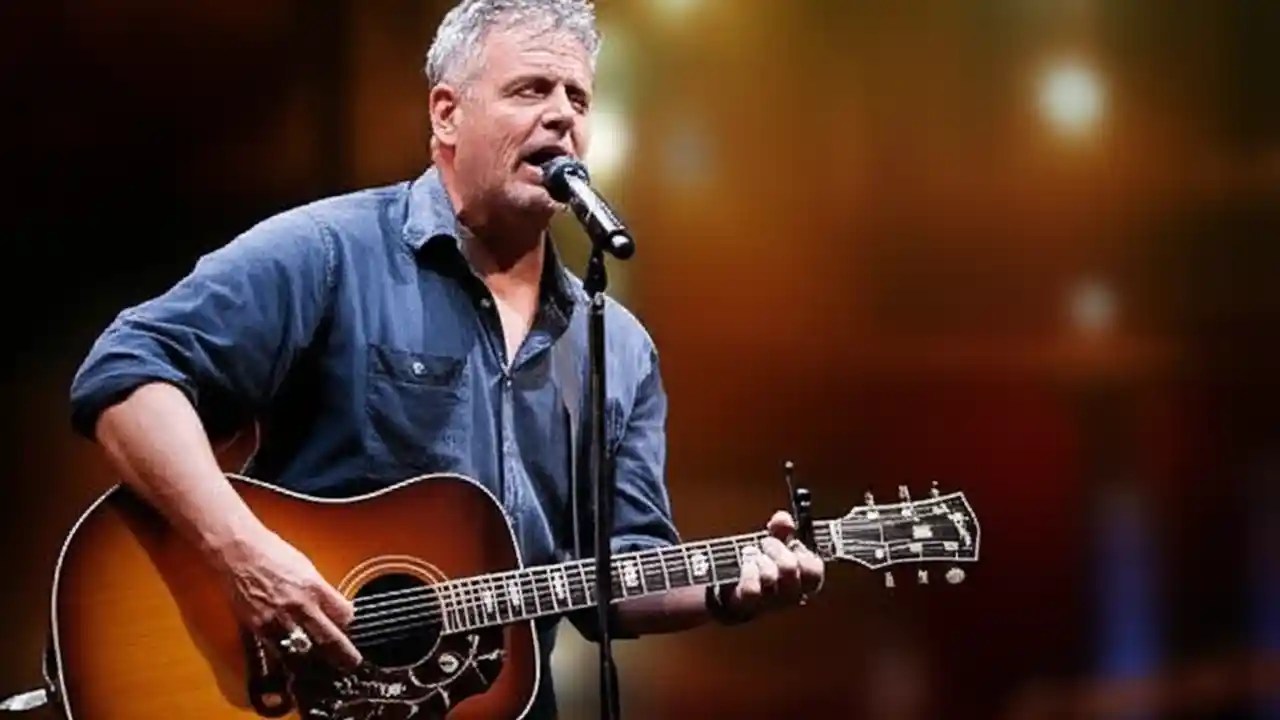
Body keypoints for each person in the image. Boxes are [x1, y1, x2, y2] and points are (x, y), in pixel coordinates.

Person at [67, 0, 824, 715]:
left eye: (578, 98)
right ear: (446, 114)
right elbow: (126, 374)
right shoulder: (332, 252)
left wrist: (732, 588)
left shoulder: (618, 347)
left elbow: (622, 573)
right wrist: (246, 557)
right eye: (530, 89)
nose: (562, 114)